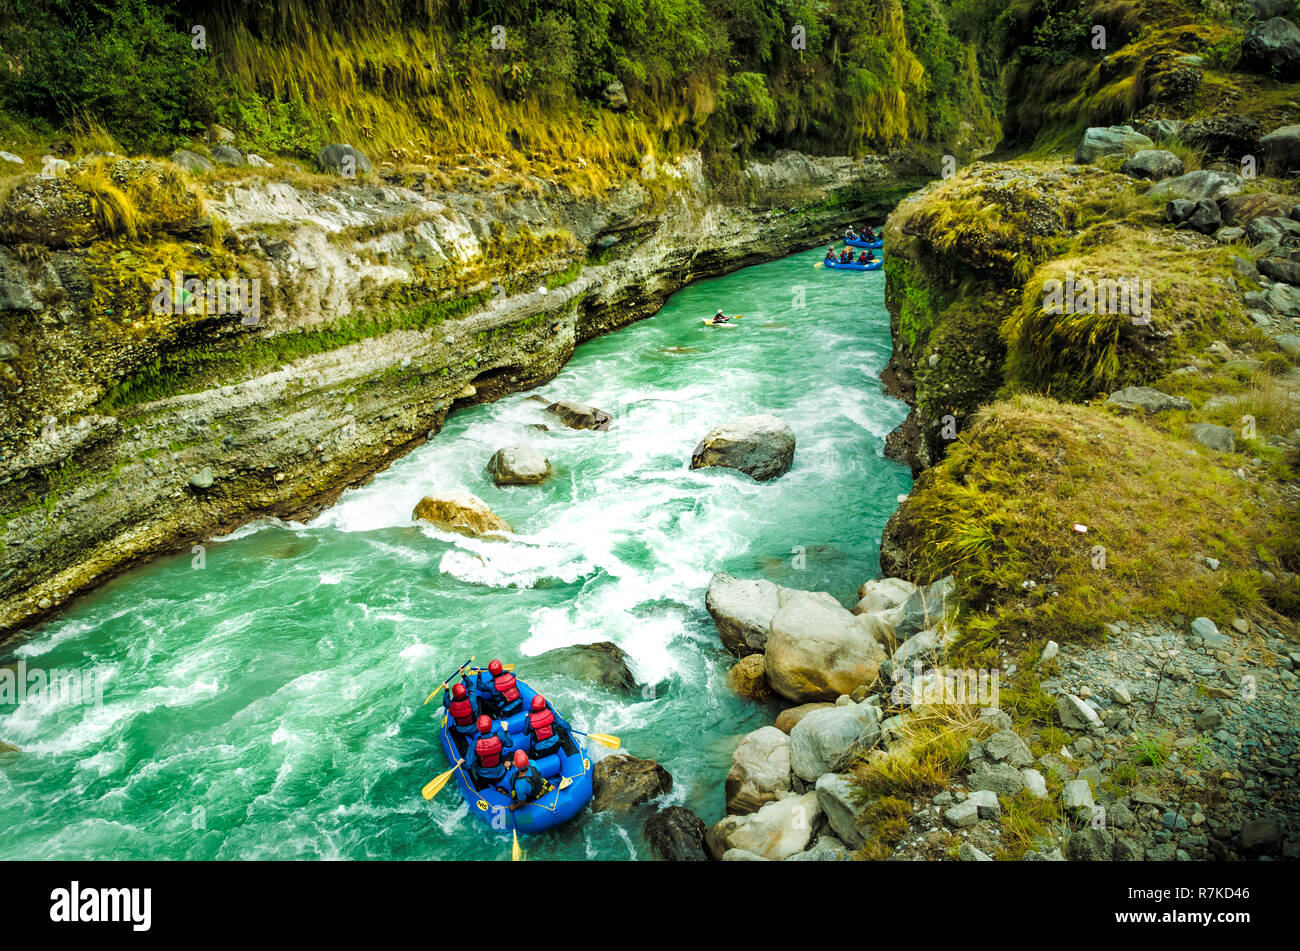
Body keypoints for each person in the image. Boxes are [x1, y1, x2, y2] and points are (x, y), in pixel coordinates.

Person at [523, 693, 577, 761]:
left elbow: (525, 733)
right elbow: (563, 724)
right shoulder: (550, 713)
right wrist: (569, 728)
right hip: (555, 745)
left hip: (541, 750)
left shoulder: (529, 718)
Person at [467, 714, 513, 789]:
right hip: (500, 775)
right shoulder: (499, 736)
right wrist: (505, 730)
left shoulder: (475, 743)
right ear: (491, 726)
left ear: (478, 728)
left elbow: (468, 764)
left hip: (483, 777)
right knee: (511, 754)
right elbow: (510, 743)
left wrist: (462, 763)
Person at [442, 681, 479, 755]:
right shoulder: (471, 700)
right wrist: (464, 677)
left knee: (451, 729)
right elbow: (472, 687)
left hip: (461, 730)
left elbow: (445, 703)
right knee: (477, 707)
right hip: (476, 727)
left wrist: (446, 690)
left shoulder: (451, 705)